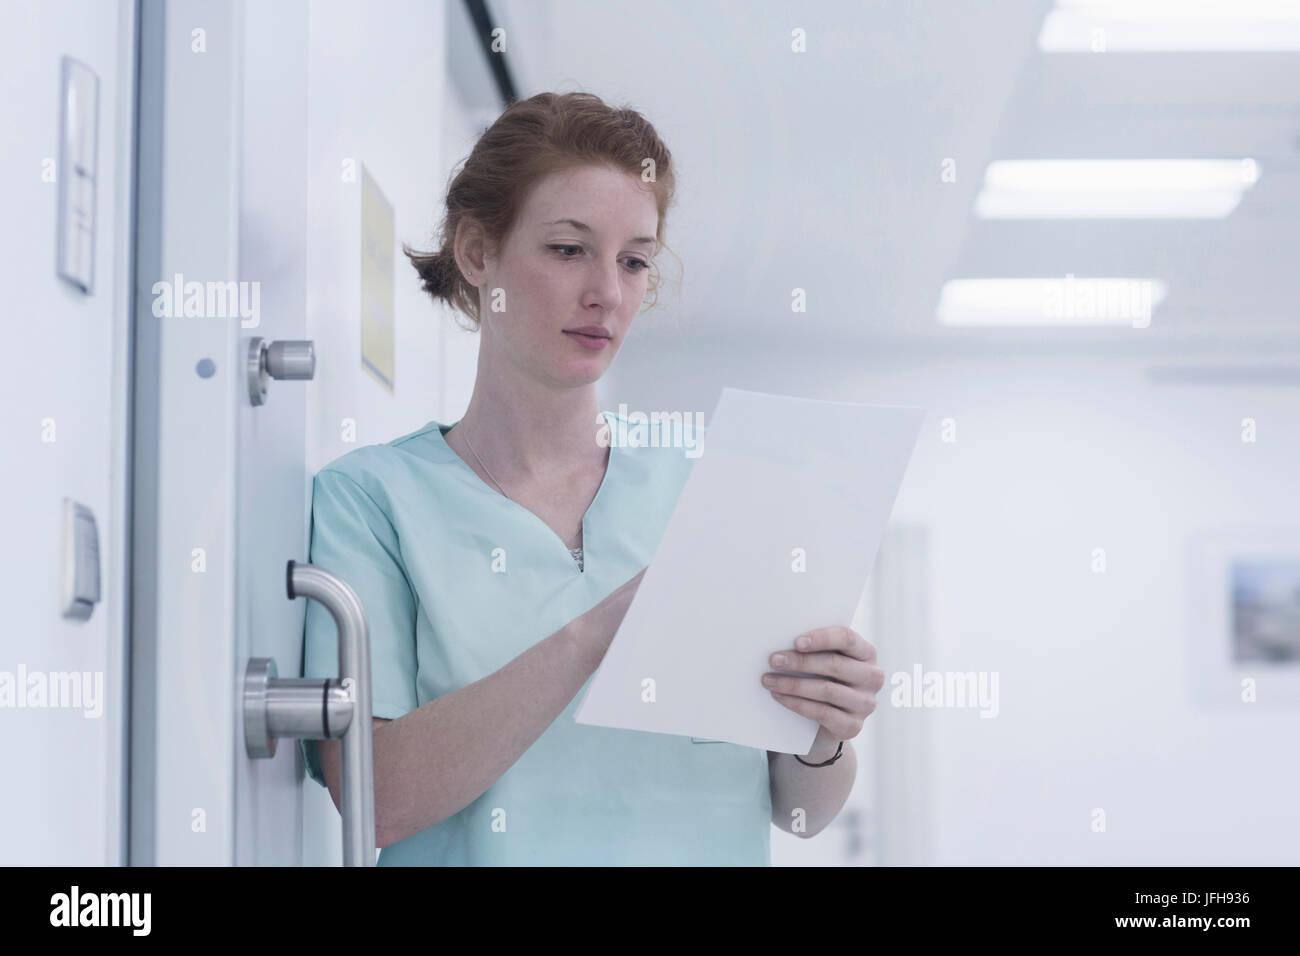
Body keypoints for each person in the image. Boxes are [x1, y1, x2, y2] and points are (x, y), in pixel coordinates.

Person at [299, 91, 881, 865]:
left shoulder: (716, 493)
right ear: (477, 254)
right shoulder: (373, 501)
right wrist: (595, 632)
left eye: (634, 260)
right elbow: (372, 799)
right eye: (569, 249)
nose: (607, 290)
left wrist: (825, 734)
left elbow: (798, 814)